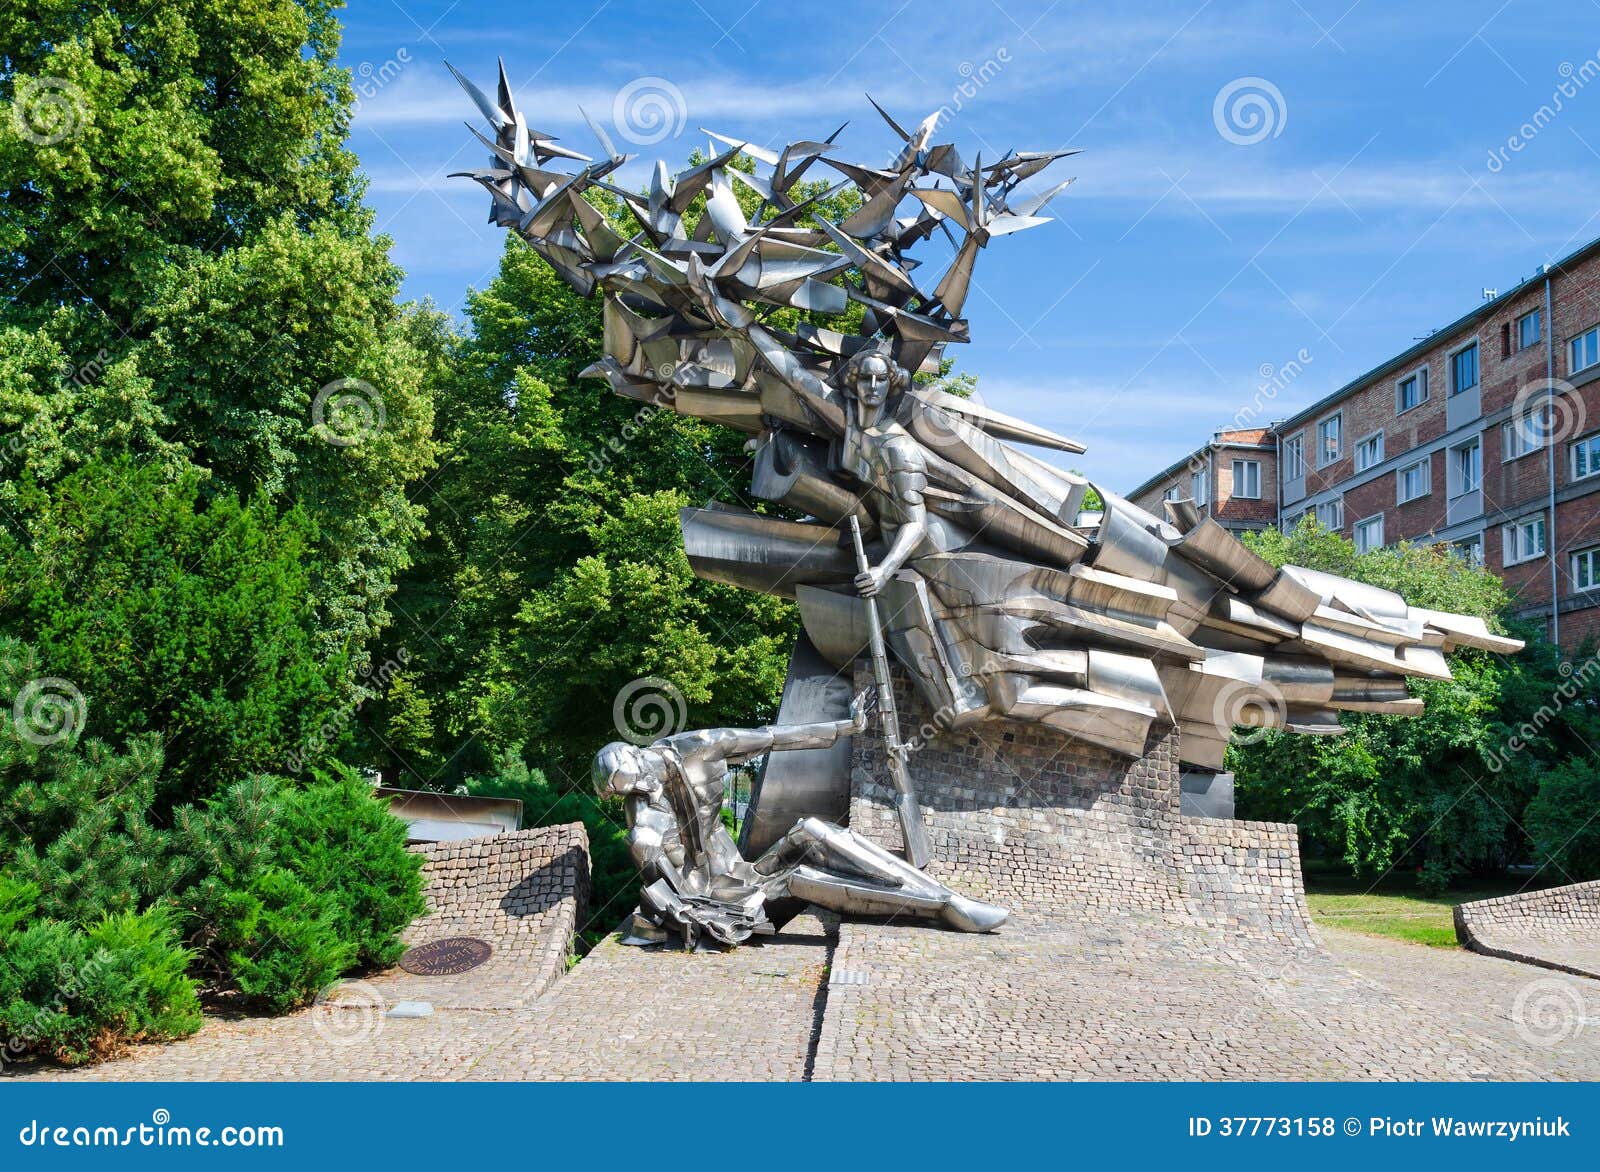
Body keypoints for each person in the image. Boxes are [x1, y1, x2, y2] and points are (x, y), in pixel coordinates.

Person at [593, 692, 1008, 949]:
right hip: (721, 900)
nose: (641, 792)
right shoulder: (643, 824)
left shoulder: (700, 748)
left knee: (815, 829)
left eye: (639, 779)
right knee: (799, 879)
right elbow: (668, 895)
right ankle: (940, 908)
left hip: (742, 874)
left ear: (639, 752)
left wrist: (846, 727)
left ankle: (945, 895)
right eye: (628, 792)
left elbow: (775, 736)